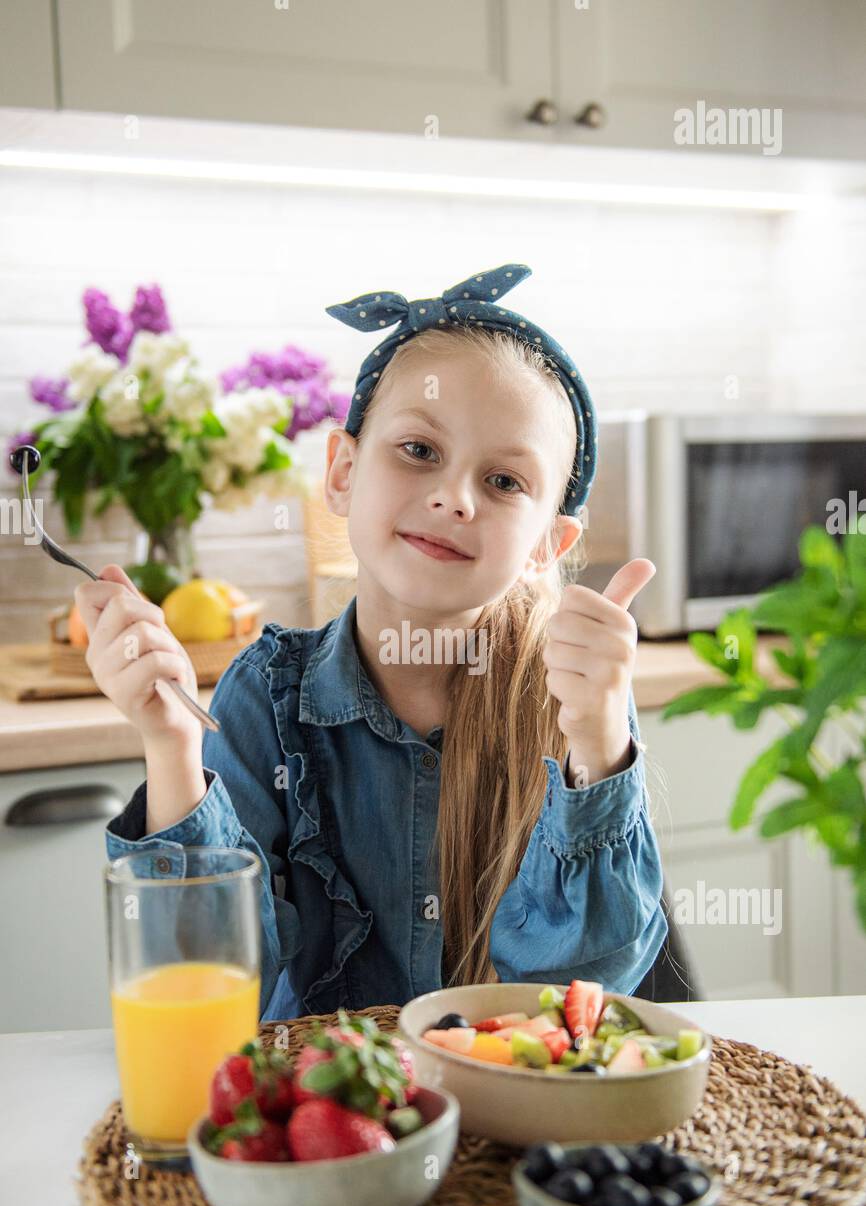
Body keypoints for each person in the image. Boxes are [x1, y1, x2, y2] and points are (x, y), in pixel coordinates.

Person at [77, 262, 667, 1021]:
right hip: (327, 1125)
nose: (453, 497)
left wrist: (597, 744)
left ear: (546, 546)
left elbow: (579, 998)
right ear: (342, 472)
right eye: (419, 451)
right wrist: (169, 747)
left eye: (504, 483)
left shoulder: (576, 703)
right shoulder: (265, 698)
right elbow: (211, 993)